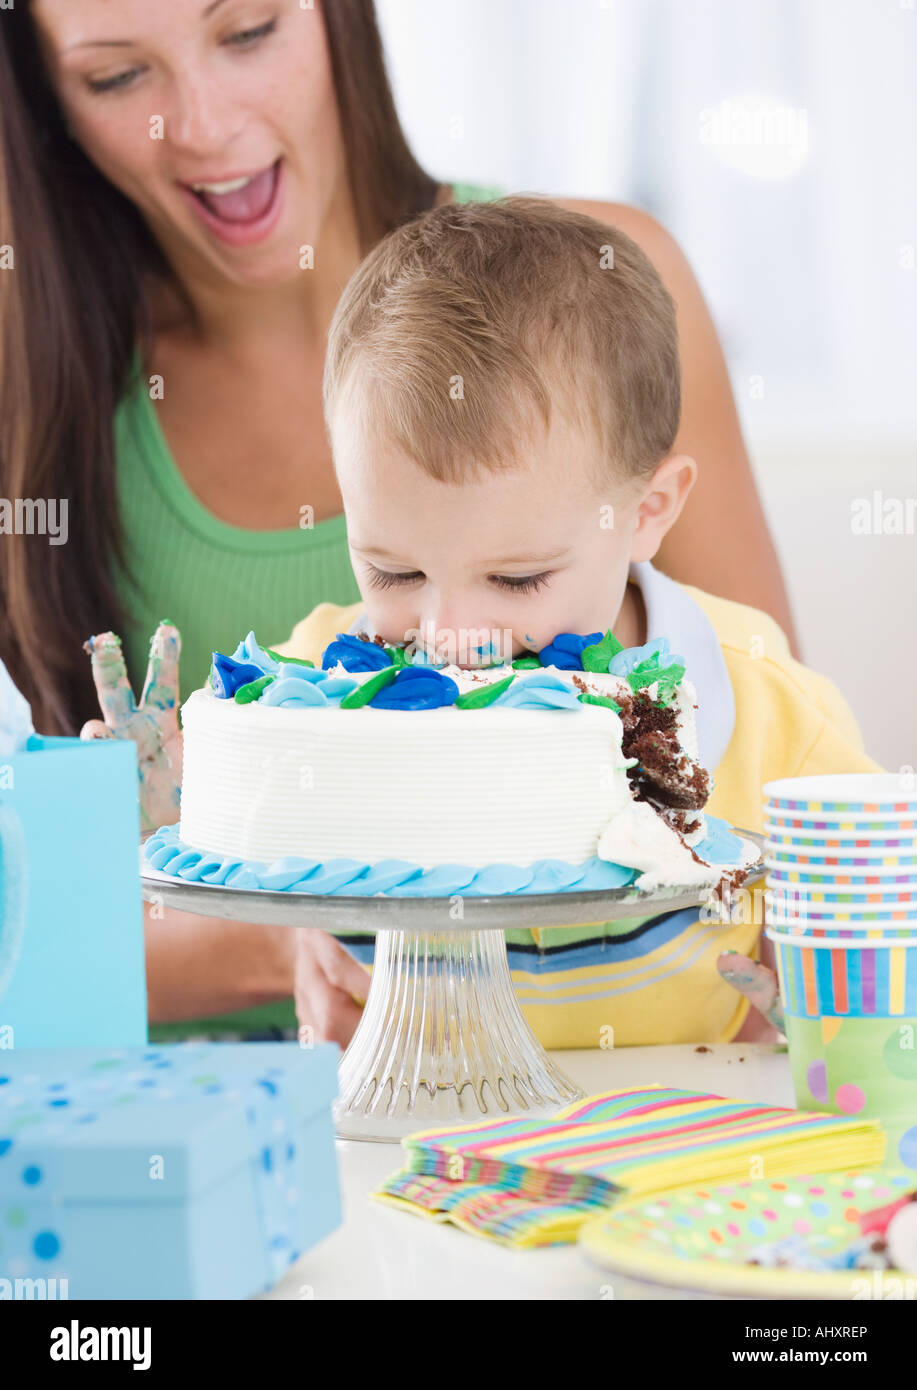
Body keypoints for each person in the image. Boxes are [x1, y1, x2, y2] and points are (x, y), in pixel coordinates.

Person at [2, 0, 800, 1041]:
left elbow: (766, 786)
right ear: (46, 95)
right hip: (259, 1109)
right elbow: (41, 946)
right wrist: (323, 916)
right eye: (117, 78)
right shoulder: (39, 383)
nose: (199, 123)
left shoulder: (608, 292)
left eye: (246, 31)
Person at [265, 196, 884, 1046]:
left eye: (517, 579)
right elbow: (235, 834)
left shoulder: (759, 704)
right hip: (419, 1142)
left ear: (648, 509)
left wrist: (823, 1009)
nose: (449, 633)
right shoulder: (312, 694)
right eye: (394, 570)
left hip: (678, 1139)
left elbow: (873, 903)